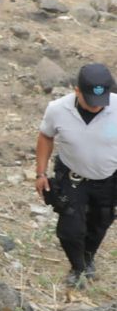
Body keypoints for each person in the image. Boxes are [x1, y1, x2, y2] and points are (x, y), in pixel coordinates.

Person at [35, 63, 117, 289]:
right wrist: (40, 173)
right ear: (77, 90)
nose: (96, 108)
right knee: (70, 228)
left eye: (101, 103)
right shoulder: (57, 109)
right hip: (72, 176)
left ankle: (89, 256)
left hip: (108, 178)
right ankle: (78, 267)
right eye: (90, 101)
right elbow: (45, 136)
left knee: (101, 222)